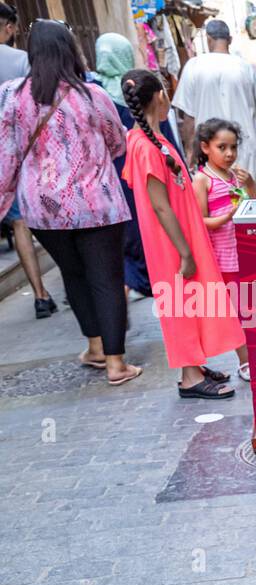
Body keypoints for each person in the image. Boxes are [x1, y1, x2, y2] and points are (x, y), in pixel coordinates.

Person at [0, 20, 139, 384]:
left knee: (73, 276)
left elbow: (7, 157)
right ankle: (115, 363)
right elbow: (118, 143)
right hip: (98, 204)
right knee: (107, 279)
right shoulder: (93, 95)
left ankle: (95, 347)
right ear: (70, 51)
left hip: (43, 211)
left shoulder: (11, 96)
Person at [121, 68, 246, 400]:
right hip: (171, 242)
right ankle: (190, 376)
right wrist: (186, 253)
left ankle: (194, 365)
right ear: (160, 96)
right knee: (180, 305)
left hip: (183, 235)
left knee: (193, 301)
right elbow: (160, 207)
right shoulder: (143, 146)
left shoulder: (154, 140)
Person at [95, 31, 182, 300]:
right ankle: (153, 275)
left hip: (118, 175)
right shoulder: (141, 89)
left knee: (131, 229)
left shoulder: (97, 93)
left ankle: (133, 280)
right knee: (154, 218)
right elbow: (164, 135)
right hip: (150, 170)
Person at [191, 117, 256, 381]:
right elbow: (201, 222)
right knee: (236, 313)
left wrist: (251, 185)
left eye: (233, 147)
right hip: (224, 258)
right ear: (206, 147)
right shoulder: (202, 179)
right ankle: (245, 362)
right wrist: (229, 215)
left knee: (250, 309)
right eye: (222, 147)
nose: (230, 153)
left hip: (245, 253)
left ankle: (255, 356)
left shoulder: (237, 176)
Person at [0, 4, 56, 319]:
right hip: (24, 152)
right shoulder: (21, 60)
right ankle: (72, 279)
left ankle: (39, 294)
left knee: (19, 222)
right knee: (46, 215)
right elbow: (38, 107)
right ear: (8, 26)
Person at [172, 20, 256, 183]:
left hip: (210, 154)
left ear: (208, 39)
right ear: (230, 40)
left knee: (216, 203)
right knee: (249, 202)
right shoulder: (245, 68)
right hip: (244, 151)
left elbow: (189, 119)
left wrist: (190, 151)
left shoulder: (194, 66)